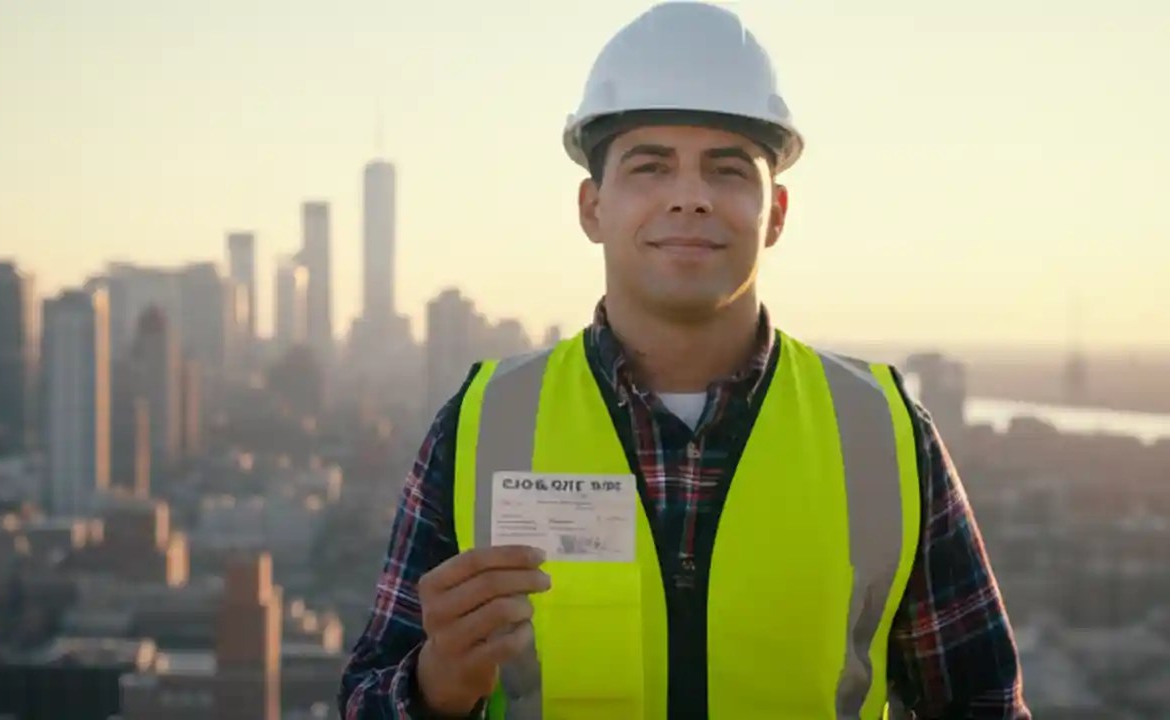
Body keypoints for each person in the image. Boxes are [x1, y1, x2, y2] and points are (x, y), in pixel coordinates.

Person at [340, 2, 1030, 718]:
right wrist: (432, 686)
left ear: (778, 213)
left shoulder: (883, 434)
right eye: (650, 166)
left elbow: (984, 703)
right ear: (592, 206)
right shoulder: (485, 424)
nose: (691, 198)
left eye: (728, 170)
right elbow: (365, 698)